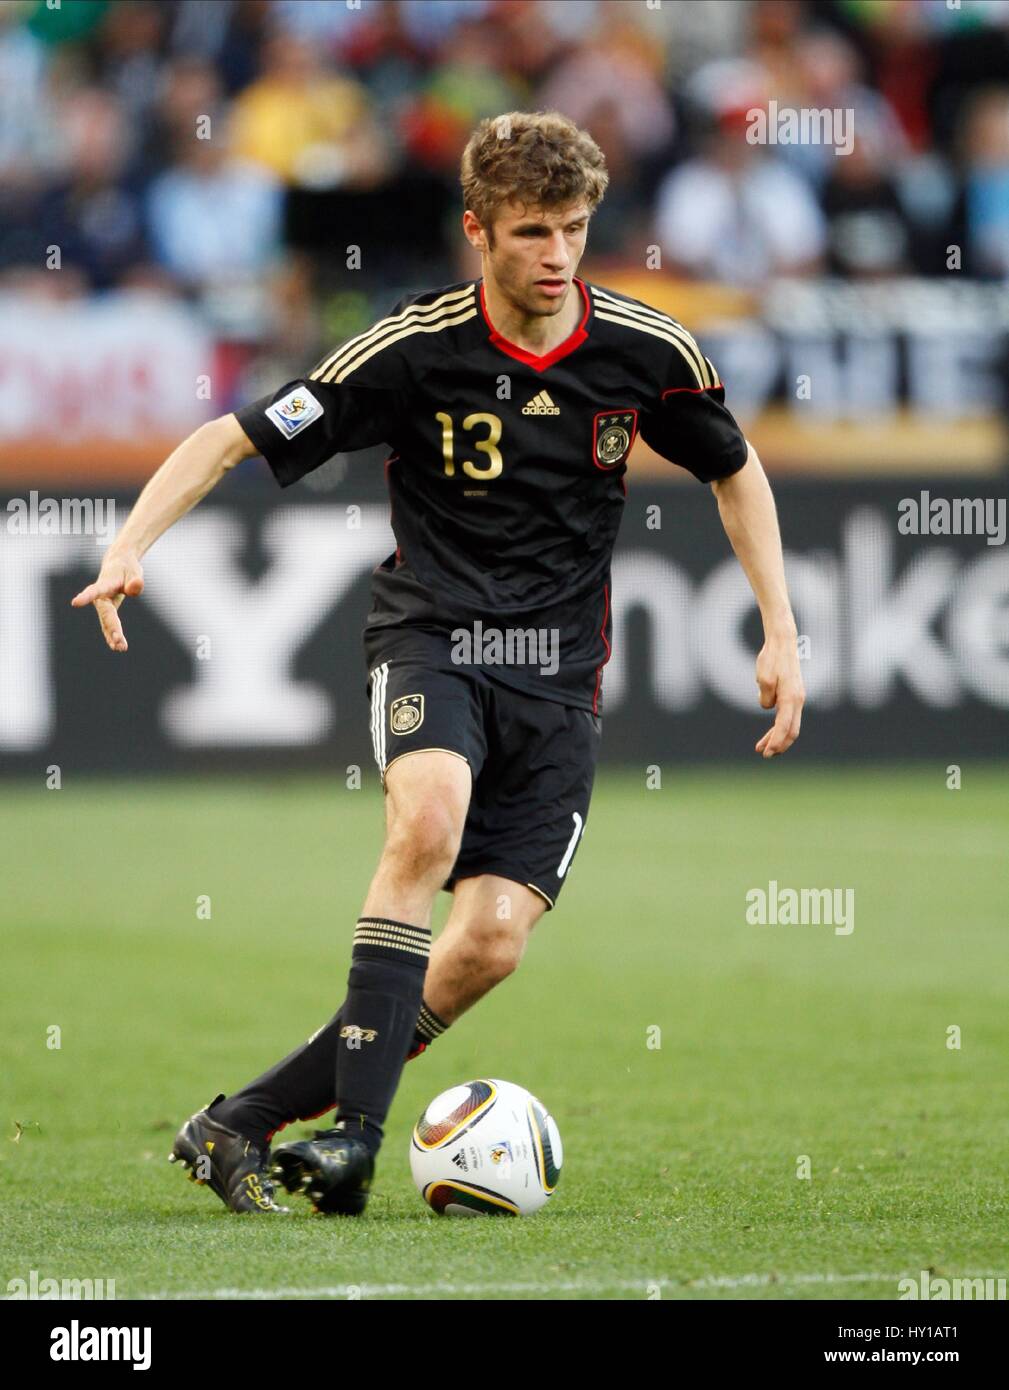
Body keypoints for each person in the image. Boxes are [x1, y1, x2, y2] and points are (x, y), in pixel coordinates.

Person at [72, 110, 805, 1217]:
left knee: (493, 943)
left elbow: (735, 470)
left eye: (572, 230)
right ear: (479, 231)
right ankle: (357, 1142)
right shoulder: (410, 350)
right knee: (426, 825)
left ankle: (241, 1121)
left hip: (558, 676)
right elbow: (232, 436)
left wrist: (781, 627)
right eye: (530, 234)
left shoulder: (649, 353)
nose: (556, 257)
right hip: (434, 637)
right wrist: (130, 545)